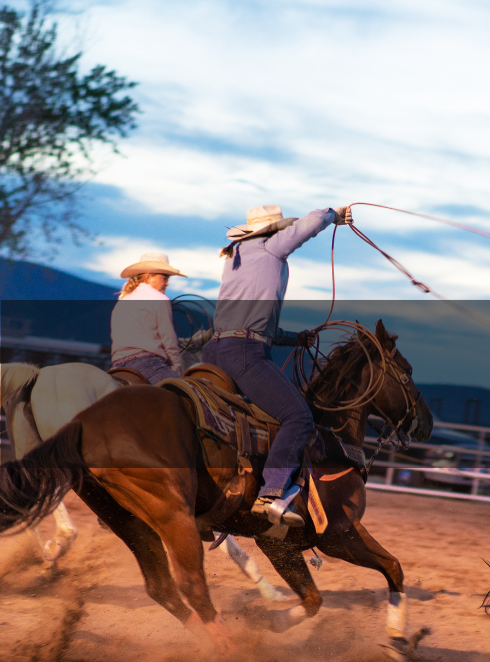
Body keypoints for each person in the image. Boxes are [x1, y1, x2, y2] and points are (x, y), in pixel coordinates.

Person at [204, 203, 352, 526]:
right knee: (298, 416)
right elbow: (306, 228)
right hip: (245, 353)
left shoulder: (237, 257)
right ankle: (270, 493)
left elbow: (249, 322)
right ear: (274, 230)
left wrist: (292, 338)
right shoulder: (271, 248)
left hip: (215, 351)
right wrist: (333, 214)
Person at [110, 252, 186, 384]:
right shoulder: (159, 299)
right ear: (148, 278)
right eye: (164, 278)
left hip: (117, 366)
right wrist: (176, 368)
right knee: (187, 395)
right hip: (147, 364)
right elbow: (168, 340)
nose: (167, 284)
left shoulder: (122, 301)